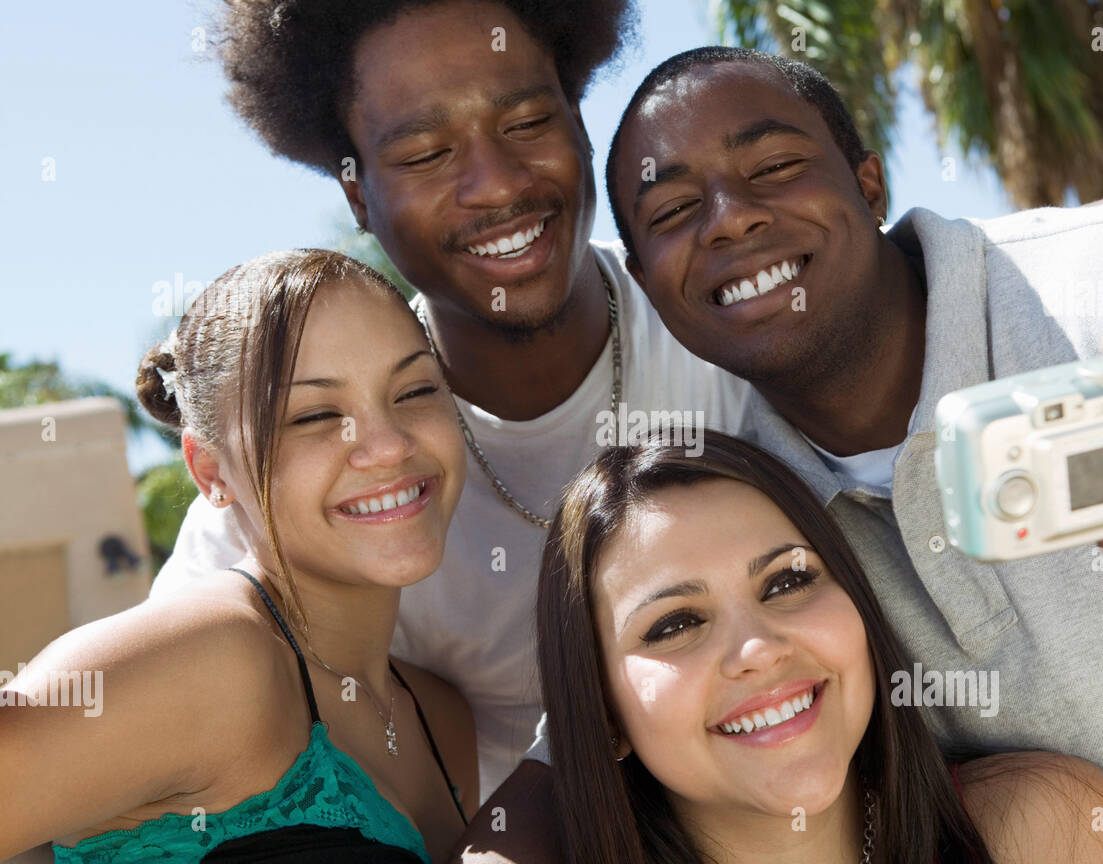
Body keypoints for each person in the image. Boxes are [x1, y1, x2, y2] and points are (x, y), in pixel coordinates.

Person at [597, 47, 1103, 864]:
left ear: (869, 185)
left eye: (776, 165)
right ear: (647, 284)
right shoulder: (752, 531)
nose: (728, 217)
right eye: (674, 209)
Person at [151, 0, 751, 803]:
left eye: (529, 121)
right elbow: (126, 736)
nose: (496, 184)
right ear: (359, 197)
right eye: (427, 153)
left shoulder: (727, 331)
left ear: (580, 123)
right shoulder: (319, 463)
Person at [0, 250, 477, 864]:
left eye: (414, 390)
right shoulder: (209, 661)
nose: (387, 445)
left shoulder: (446, 722)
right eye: (314, 415)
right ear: (209, 470)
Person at [537, 431, 1103, 864]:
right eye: (675, 624)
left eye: (787, 581)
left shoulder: (1051, 828)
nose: (758, 647)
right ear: (605, 712)